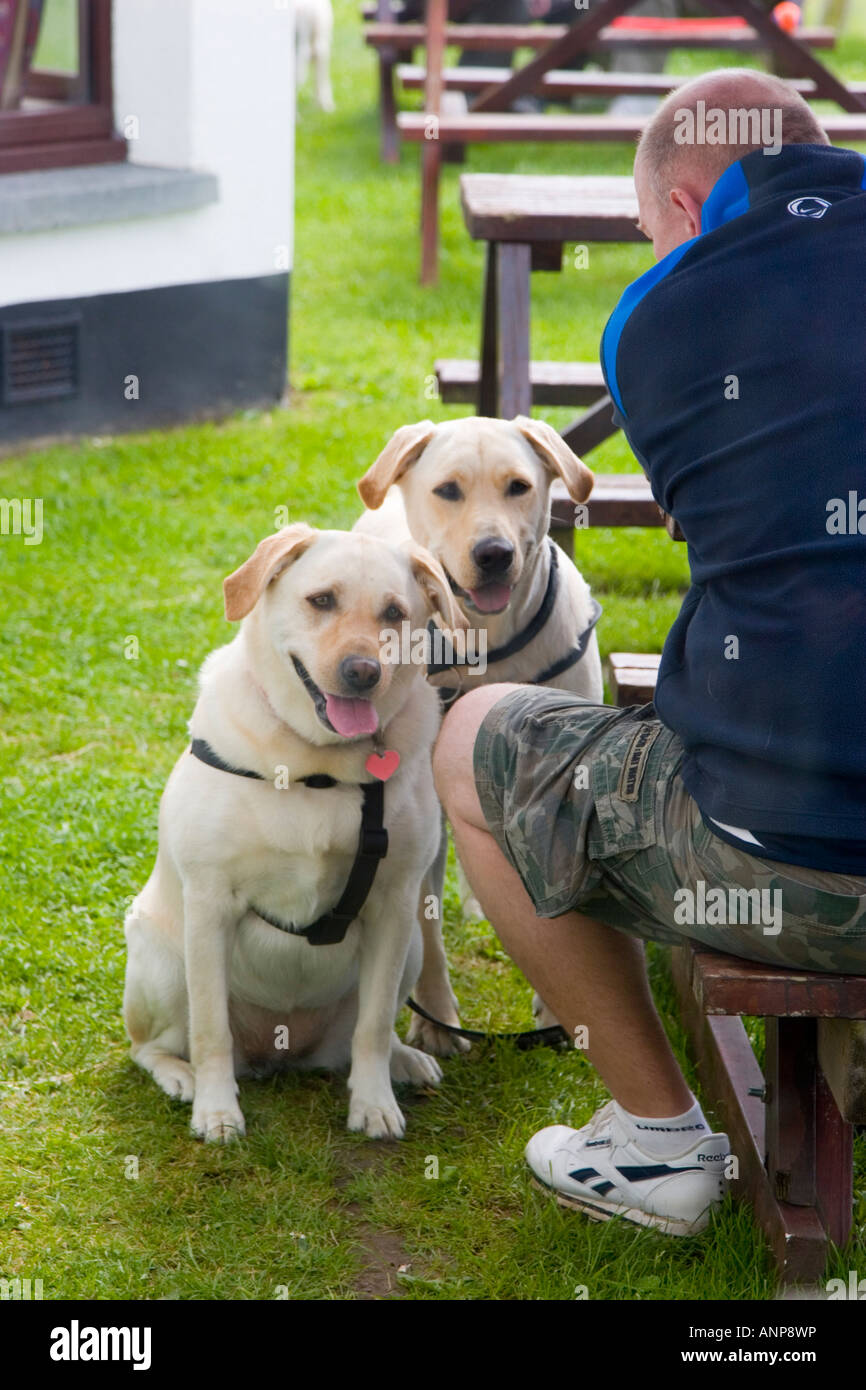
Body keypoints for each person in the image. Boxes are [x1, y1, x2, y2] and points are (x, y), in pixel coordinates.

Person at [432, 68, 866, 1237]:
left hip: (784, 855)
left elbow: (722, 522)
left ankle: (655, 1140)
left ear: (679, 211)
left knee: (471, 739)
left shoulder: (658, 317)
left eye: (642, 228)